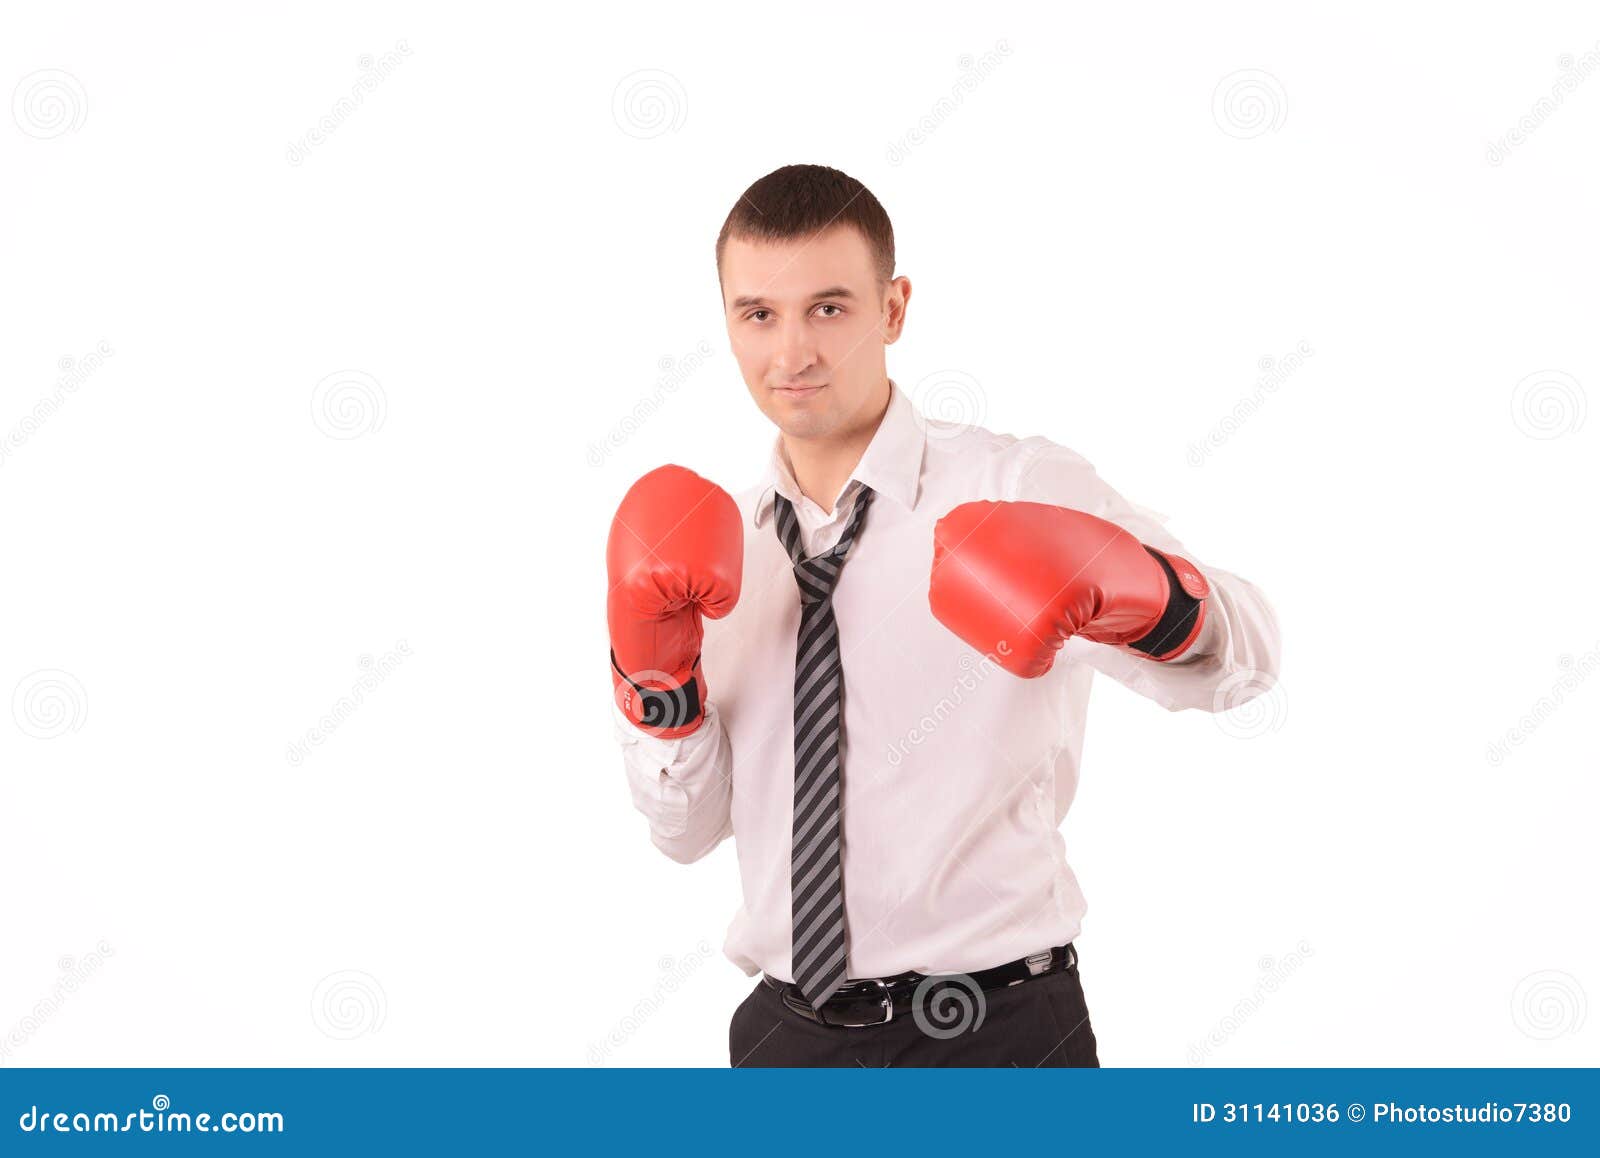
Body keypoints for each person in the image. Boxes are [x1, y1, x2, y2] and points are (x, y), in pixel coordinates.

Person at [606, 164, 1281, 1067]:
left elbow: (1250, 658)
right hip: (783, 1041)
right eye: (758, 314)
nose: (792, 353)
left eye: (830, 308)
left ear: (892, 309)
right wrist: (656, 682)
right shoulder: (713, 551)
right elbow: (684, 834)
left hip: (999, 1035)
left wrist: (1146, 596)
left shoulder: (1015, 485)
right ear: (727, 321)